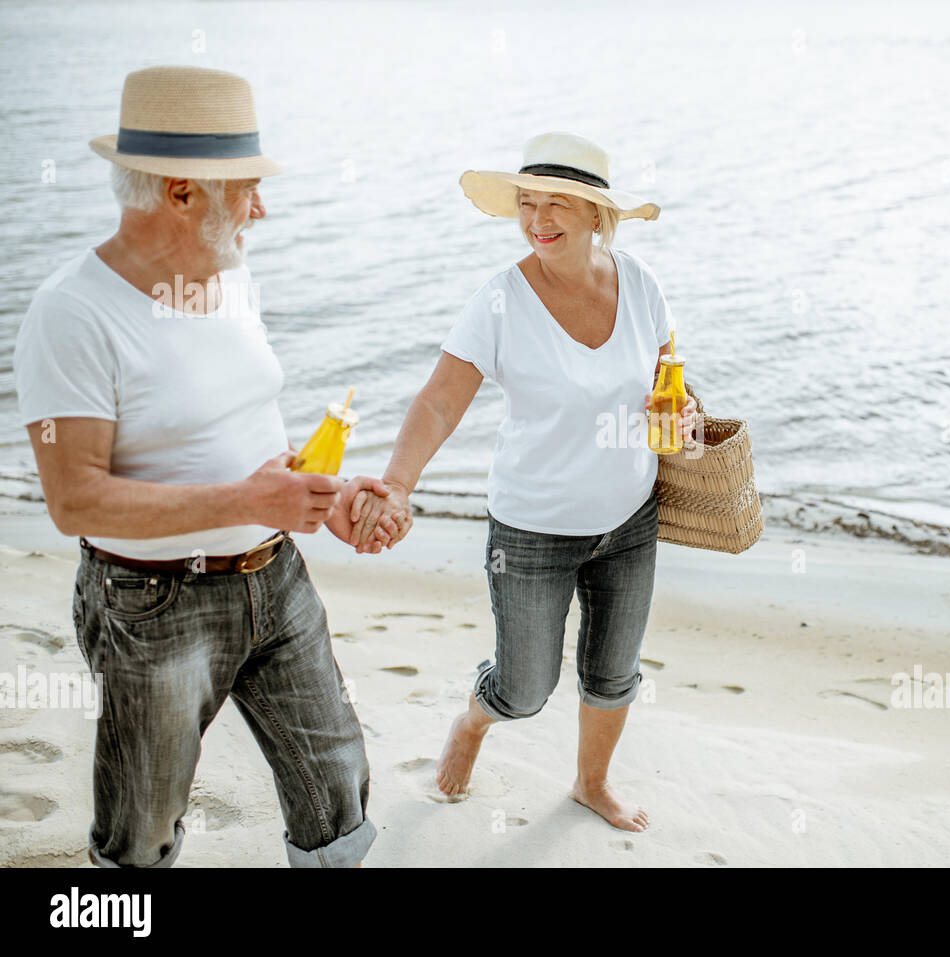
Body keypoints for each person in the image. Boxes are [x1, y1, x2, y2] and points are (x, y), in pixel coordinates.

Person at [13, 66, 407, 867]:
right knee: (142, 828)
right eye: (247, 189)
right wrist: (245, 495)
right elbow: (74, 500)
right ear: (182, 193)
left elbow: (242, 427)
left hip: (278, 578)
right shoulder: (71, 313)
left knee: (335, 782)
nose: (262, 207)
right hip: (155, 606)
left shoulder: (228, 275)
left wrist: (315, 494)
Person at [349, 132, 696, 832]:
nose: (538, 219)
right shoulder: (501, 300)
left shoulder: (644, 285)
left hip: (630, 520)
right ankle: (474, 721)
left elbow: (670, 382)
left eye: (556, 203)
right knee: (524, 686)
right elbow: (440, 400)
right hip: (532, 529)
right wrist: (396, 486)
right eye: (527, 203)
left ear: (597, 213)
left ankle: (591, 783)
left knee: (614, 672)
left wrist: (684, 414)